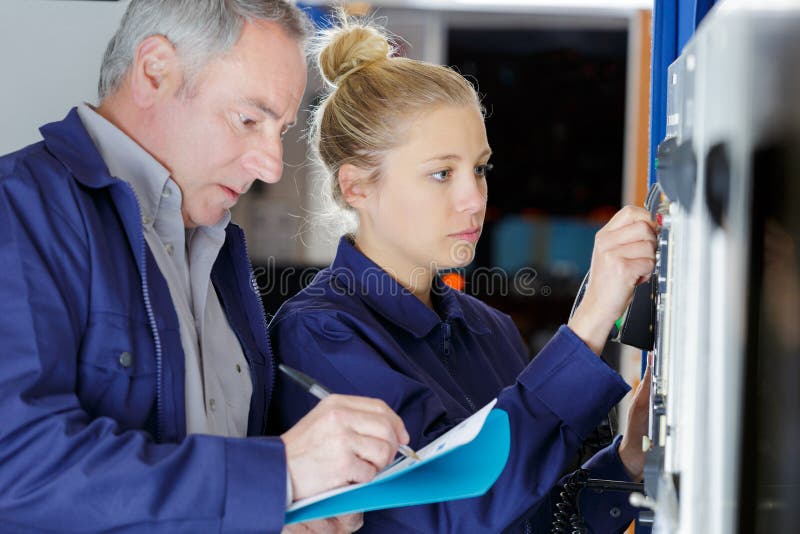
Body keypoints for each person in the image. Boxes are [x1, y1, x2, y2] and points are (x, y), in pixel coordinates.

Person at [0, 2, 413, 532]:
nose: (269, 164)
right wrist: (278, 475)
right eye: (248, 119)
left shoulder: (219, 252)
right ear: (155, 72)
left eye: (280, 130)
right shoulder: (19, 211)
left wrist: (285, 514)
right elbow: (17, 471)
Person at [268, 18, 656, 533]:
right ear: (357, 186)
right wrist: (591, 321)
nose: (474, 199)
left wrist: (627, 459)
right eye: (441, 173)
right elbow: (461, 510)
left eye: (480, 169)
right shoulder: (320, 337)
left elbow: (533, 517)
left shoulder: (488, 328)